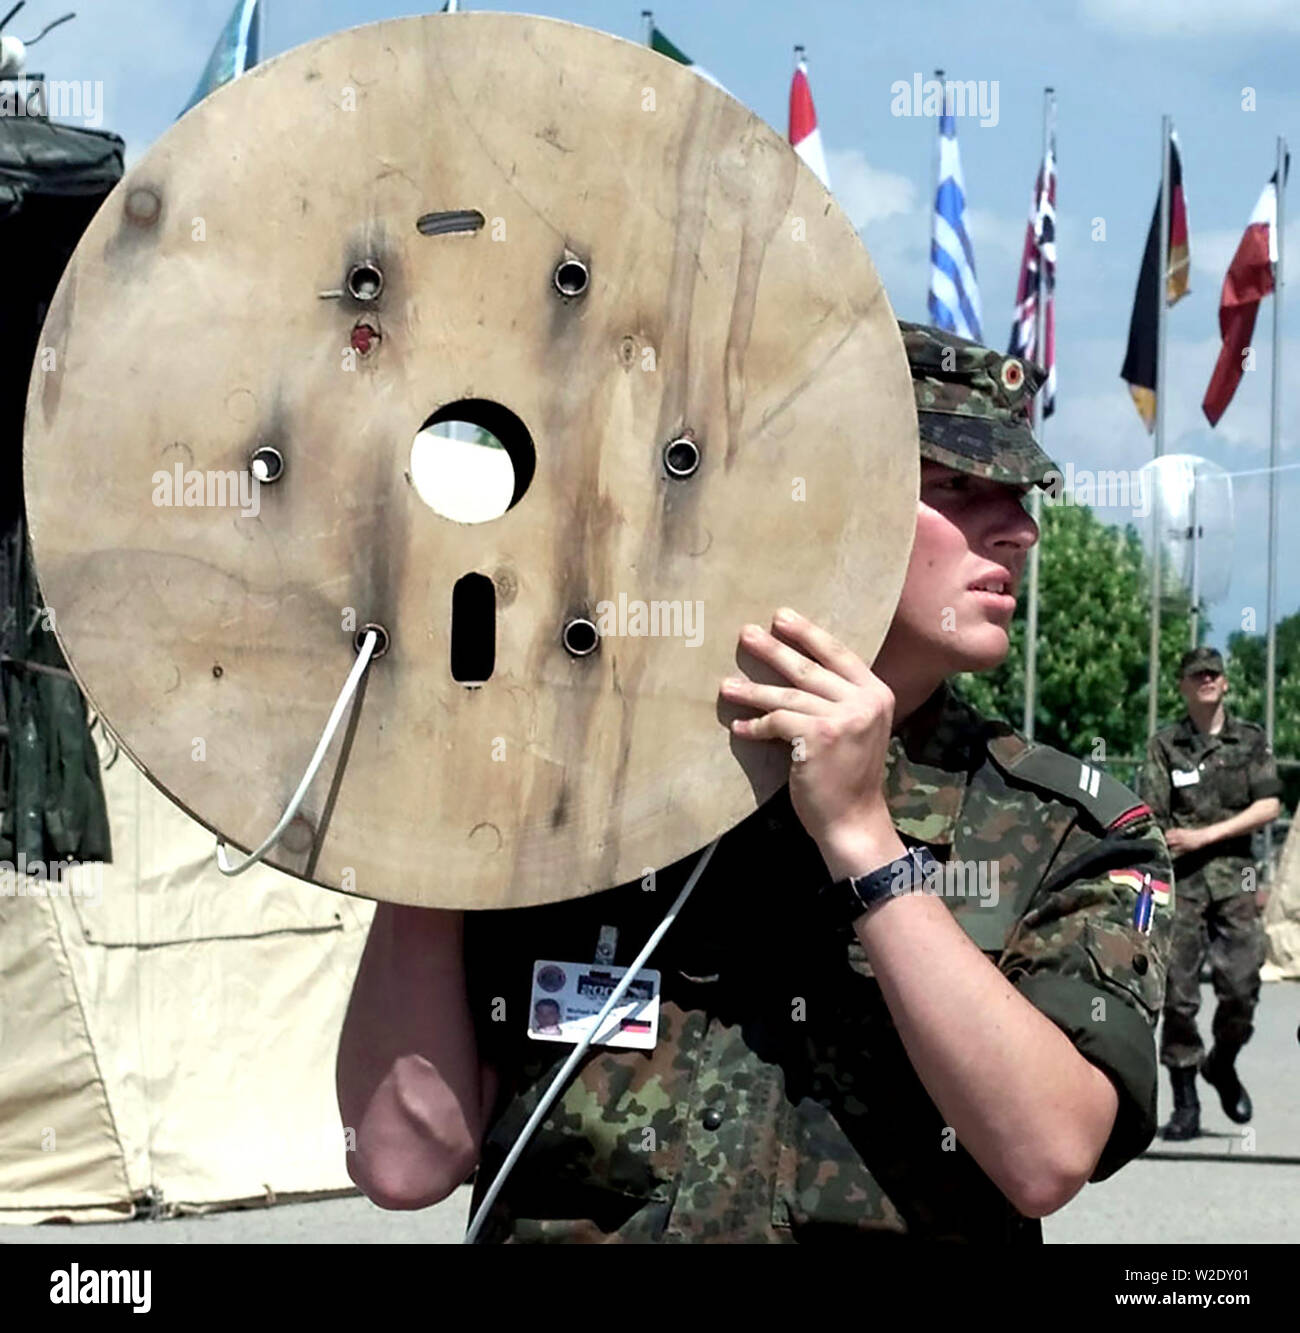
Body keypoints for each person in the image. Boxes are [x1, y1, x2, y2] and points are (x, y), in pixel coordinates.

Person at [335, 322, 1174, 1243]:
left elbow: (1047, 1154)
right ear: (819, 494)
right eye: (961, 488)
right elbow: (402, 1160)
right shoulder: (579, 779)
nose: (1019, 529)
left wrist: (864, 840)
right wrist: (428, 809)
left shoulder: (1064, 824)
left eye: (1019, 496)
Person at [1143, 647, 1281, 1140]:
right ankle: (1185, 1103)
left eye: (1213, 675)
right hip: (1182, 884)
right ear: (1182, 686)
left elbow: (1268, 805)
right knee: (1178, 996)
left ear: (1224, 685)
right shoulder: (1165, 745)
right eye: (1195, 675)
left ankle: (1222, 1063)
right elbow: (1152, 816)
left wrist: (1204, 835)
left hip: (1237, 878)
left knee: (1242, 986)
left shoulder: (1250, 741)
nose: (1205, 681)